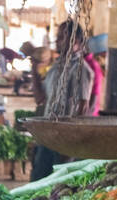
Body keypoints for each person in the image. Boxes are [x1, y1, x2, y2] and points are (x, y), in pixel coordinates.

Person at [32, 20, 94, 180]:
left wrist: (70, 146)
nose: (58, 41)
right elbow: (40, 99)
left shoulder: (81, 69)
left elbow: (82, 107)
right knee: (37, 183)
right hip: (47, 137)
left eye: (62, 37)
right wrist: (34, 69)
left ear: (77, 41)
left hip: (64, 142)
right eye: (58, 37)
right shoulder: (56, 67)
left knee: (56, 187)